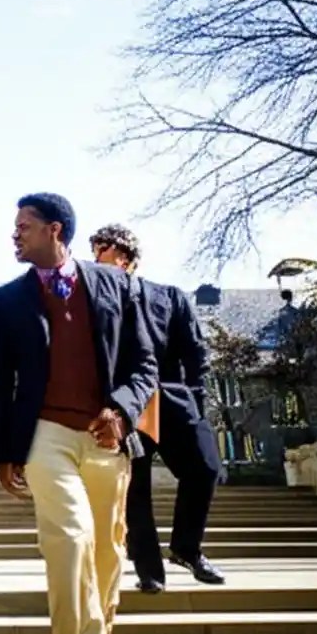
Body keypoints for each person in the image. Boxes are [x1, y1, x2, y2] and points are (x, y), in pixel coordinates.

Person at [0, 193, 156, 634]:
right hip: (45, 433)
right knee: (70, 540)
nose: (15, 234)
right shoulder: (7, 299)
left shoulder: (116, 285)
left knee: (106, 550)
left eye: (25, 226)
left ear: (55, 230)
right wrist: (2, 452)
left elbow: (144, 365)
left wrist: (120, 410)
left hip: (106, 434)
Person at [89, 223, 225, 593]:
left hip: (172, 402)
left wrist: (196, 401)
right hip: (122, 407)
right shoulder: (93, 303)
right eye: (94, 250)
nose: (96, 257)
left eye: (104, 249)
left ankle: (187, 548)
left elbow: (196, 353)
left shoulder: (168, 297)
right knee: (134, 488)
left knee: (206, 467)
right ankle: (149, 571)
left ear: (127, 256)